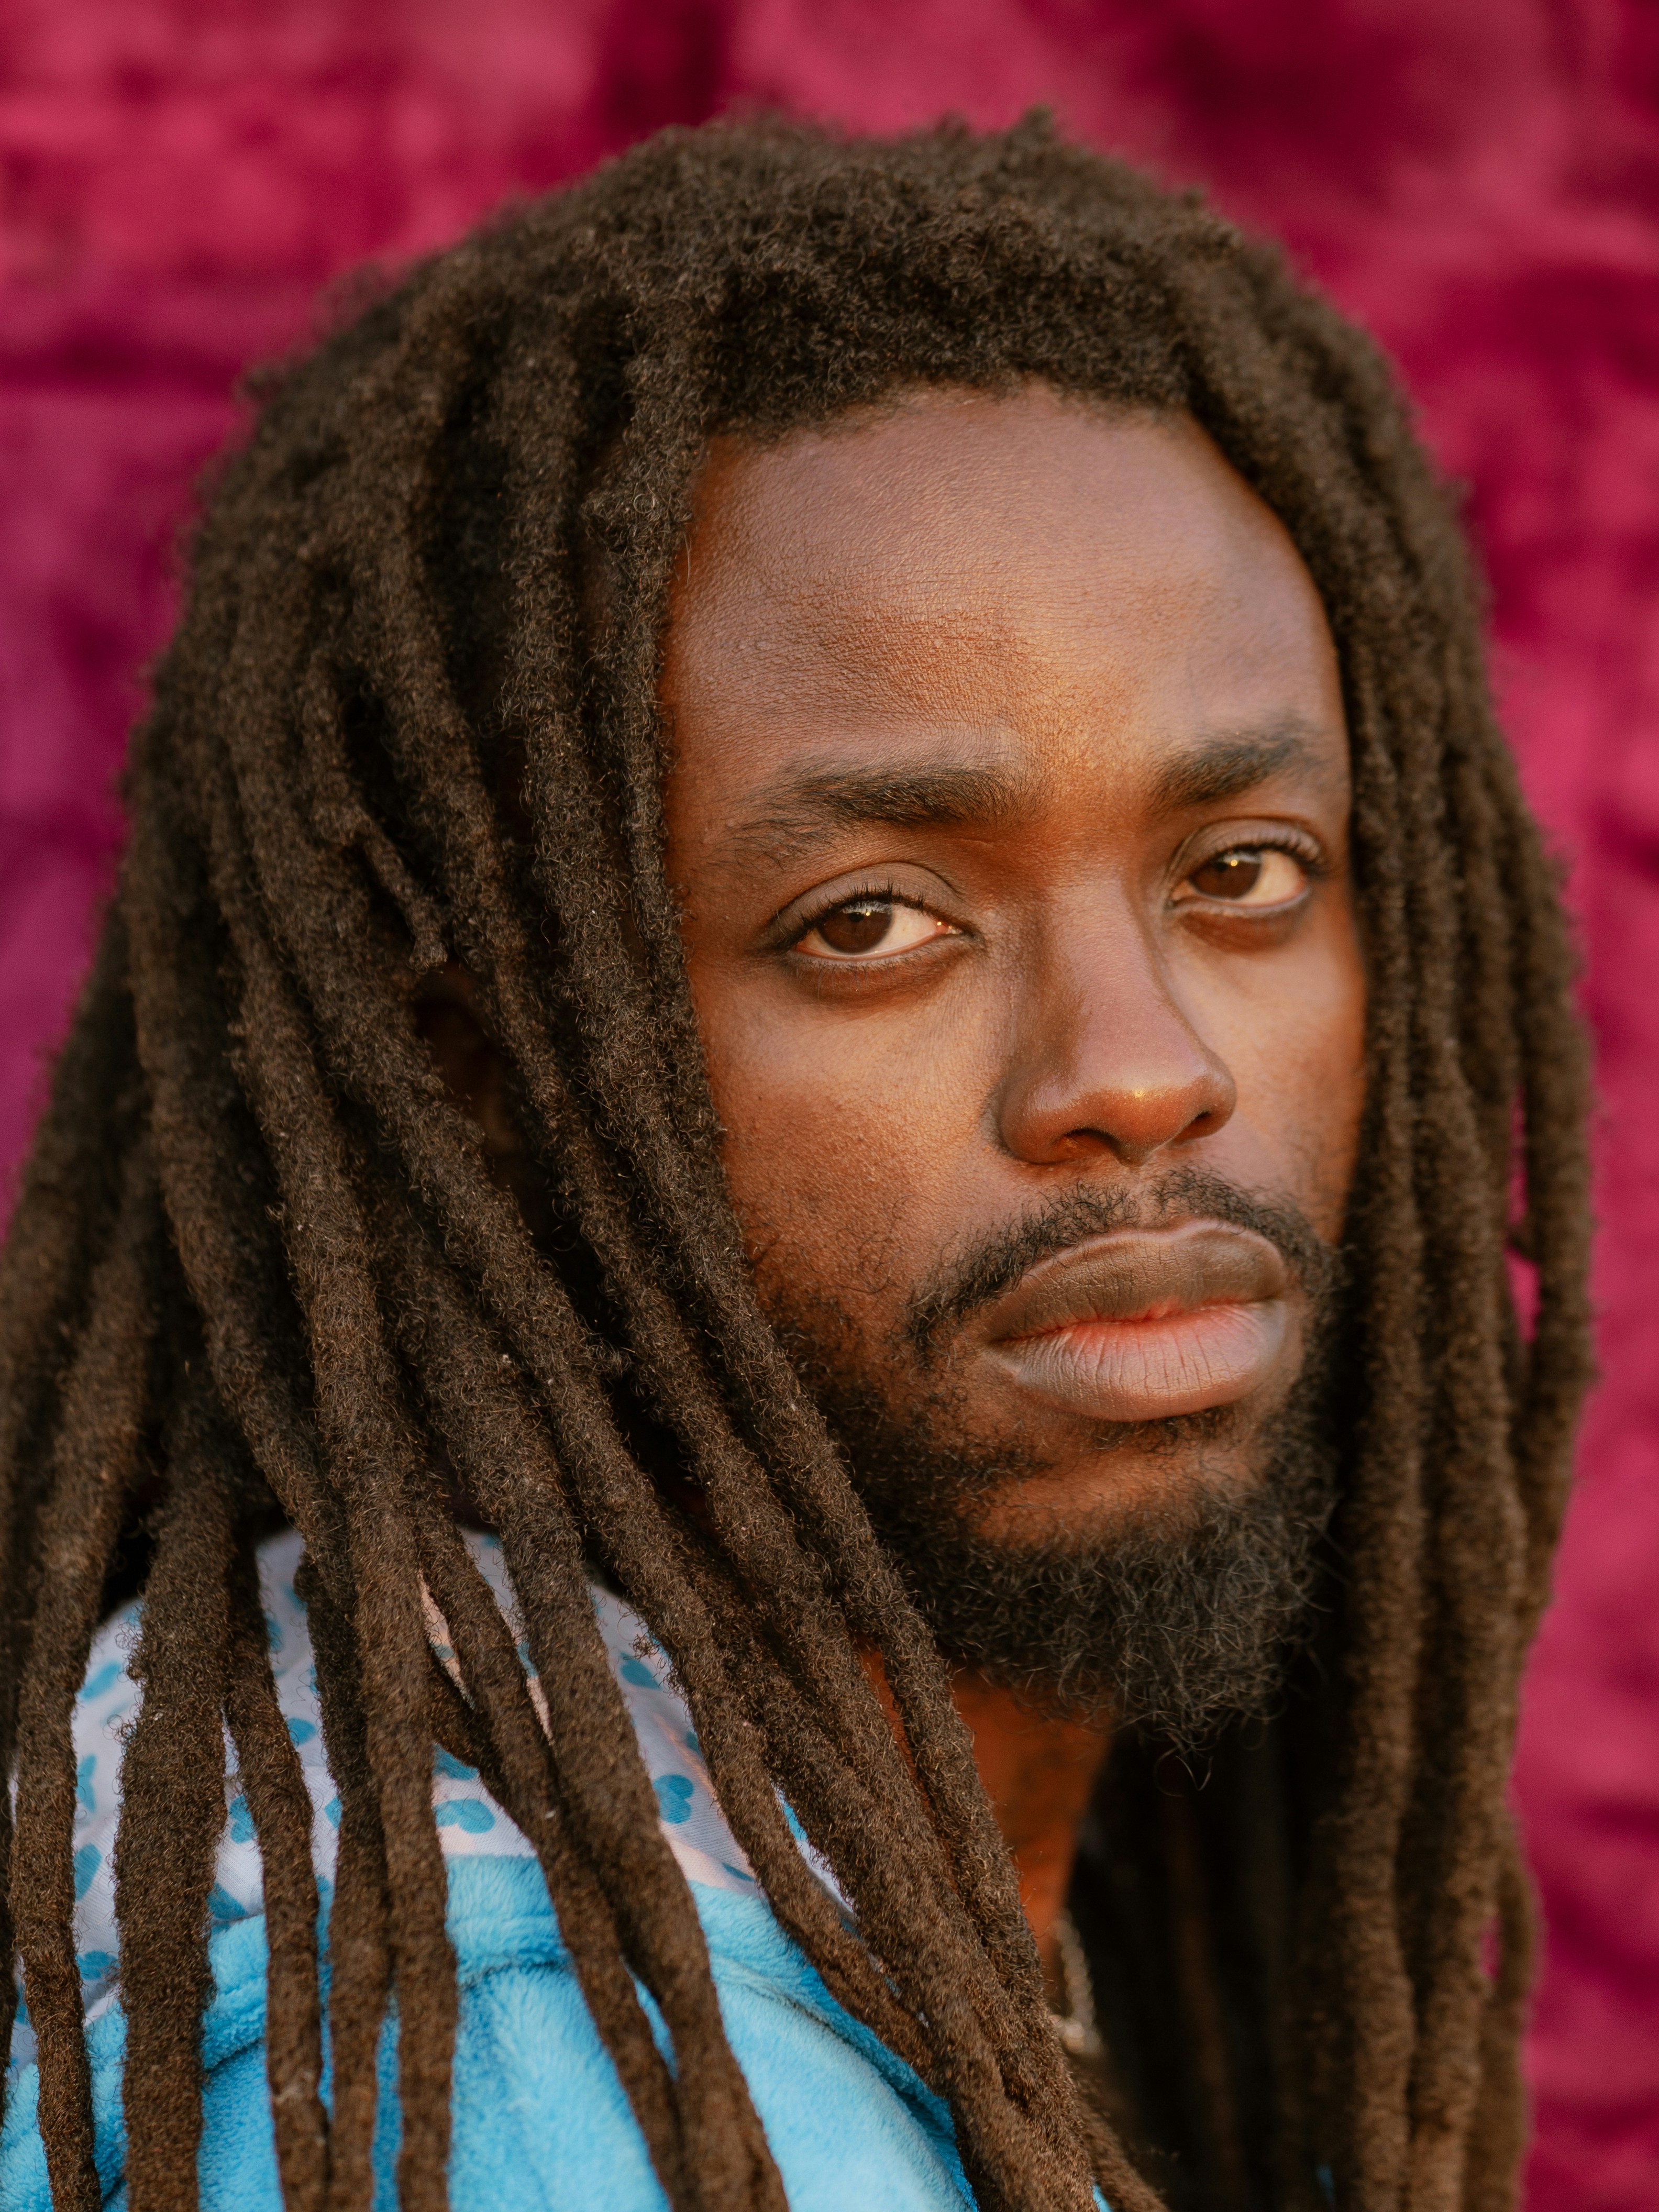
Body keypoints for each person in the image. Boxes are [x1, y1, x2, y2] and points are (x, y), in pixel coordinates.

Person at [0, 113, 1591, 2212]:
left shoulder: (669, 1827)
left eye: (1242, 870)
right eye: (874, 921)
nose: (1142, 1071)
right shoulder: (531, 2088)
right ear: (490, 1066)